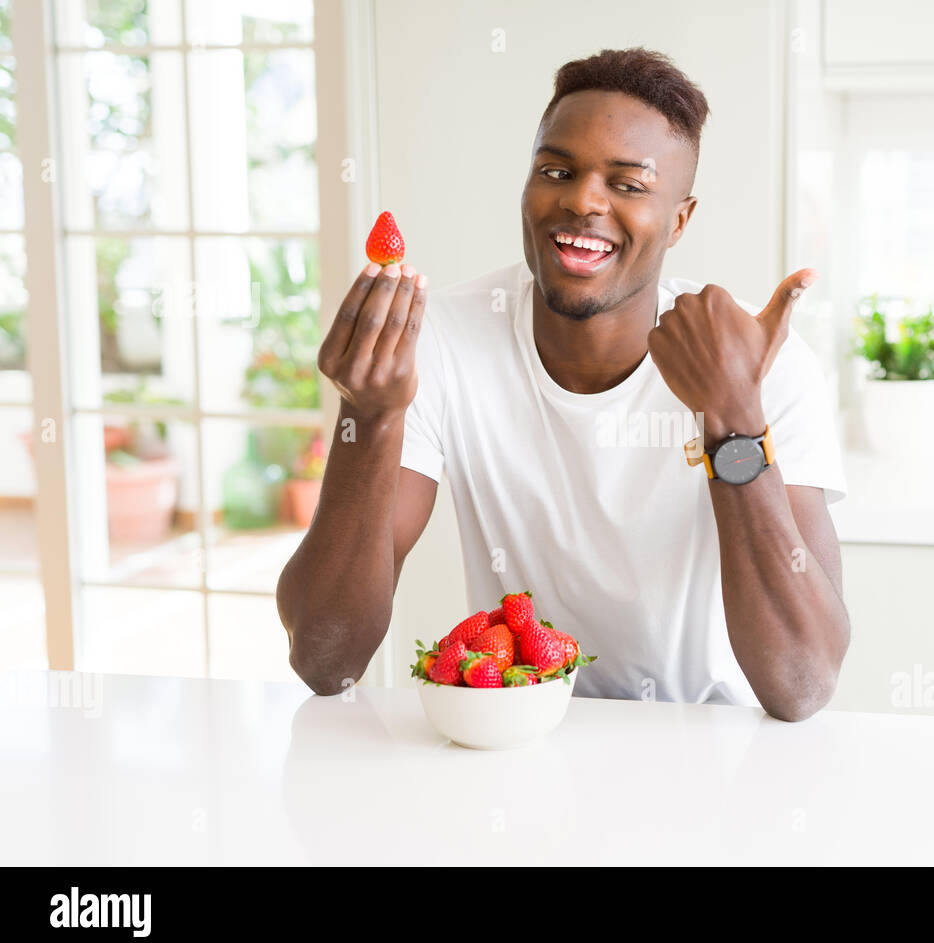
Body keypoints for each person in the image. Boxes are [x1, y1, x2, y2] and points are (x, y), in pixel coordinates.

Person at [277, 48, 849, 721]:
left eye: (629, 185)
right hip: (520, 742)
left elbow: (803, 683)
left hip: (716, 753)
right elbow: (325, 656)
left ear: (680, 220)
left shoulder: (761, 366)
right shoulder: (445, 340)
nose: (581, 200)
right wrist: (366, 418)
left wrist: (734, 422)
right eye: (557, 171)